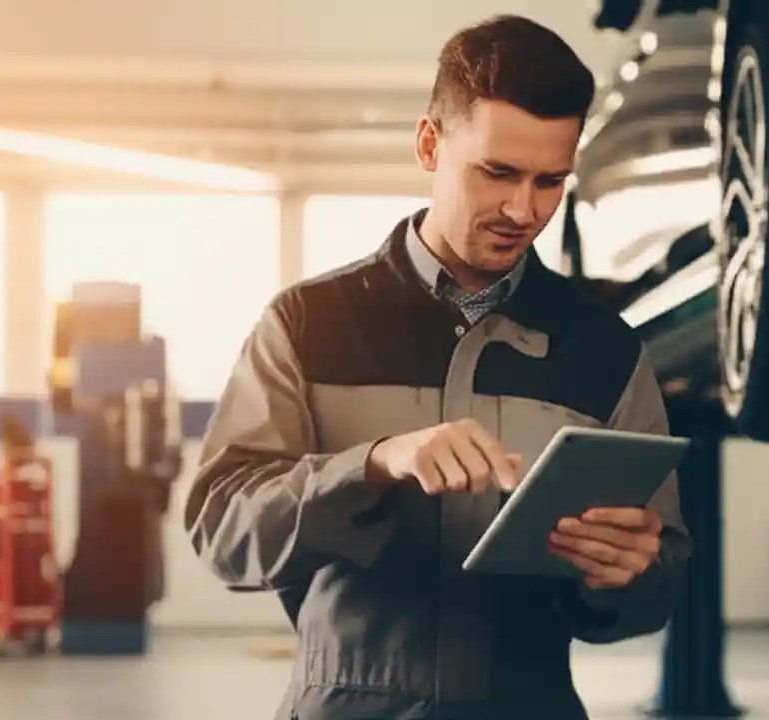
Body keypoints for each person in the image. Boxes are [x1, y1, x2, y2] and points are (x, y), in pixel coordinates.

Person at [184, 15, 690, 720]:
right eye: (498, 173)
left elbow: (659, 581)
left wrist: (627, 575)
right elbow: (223, 528)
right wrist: (375, 464)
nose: (524, 209)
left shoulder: (605, 352)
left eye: (551, 181)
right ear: (430, 144)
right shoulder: (310, 325)